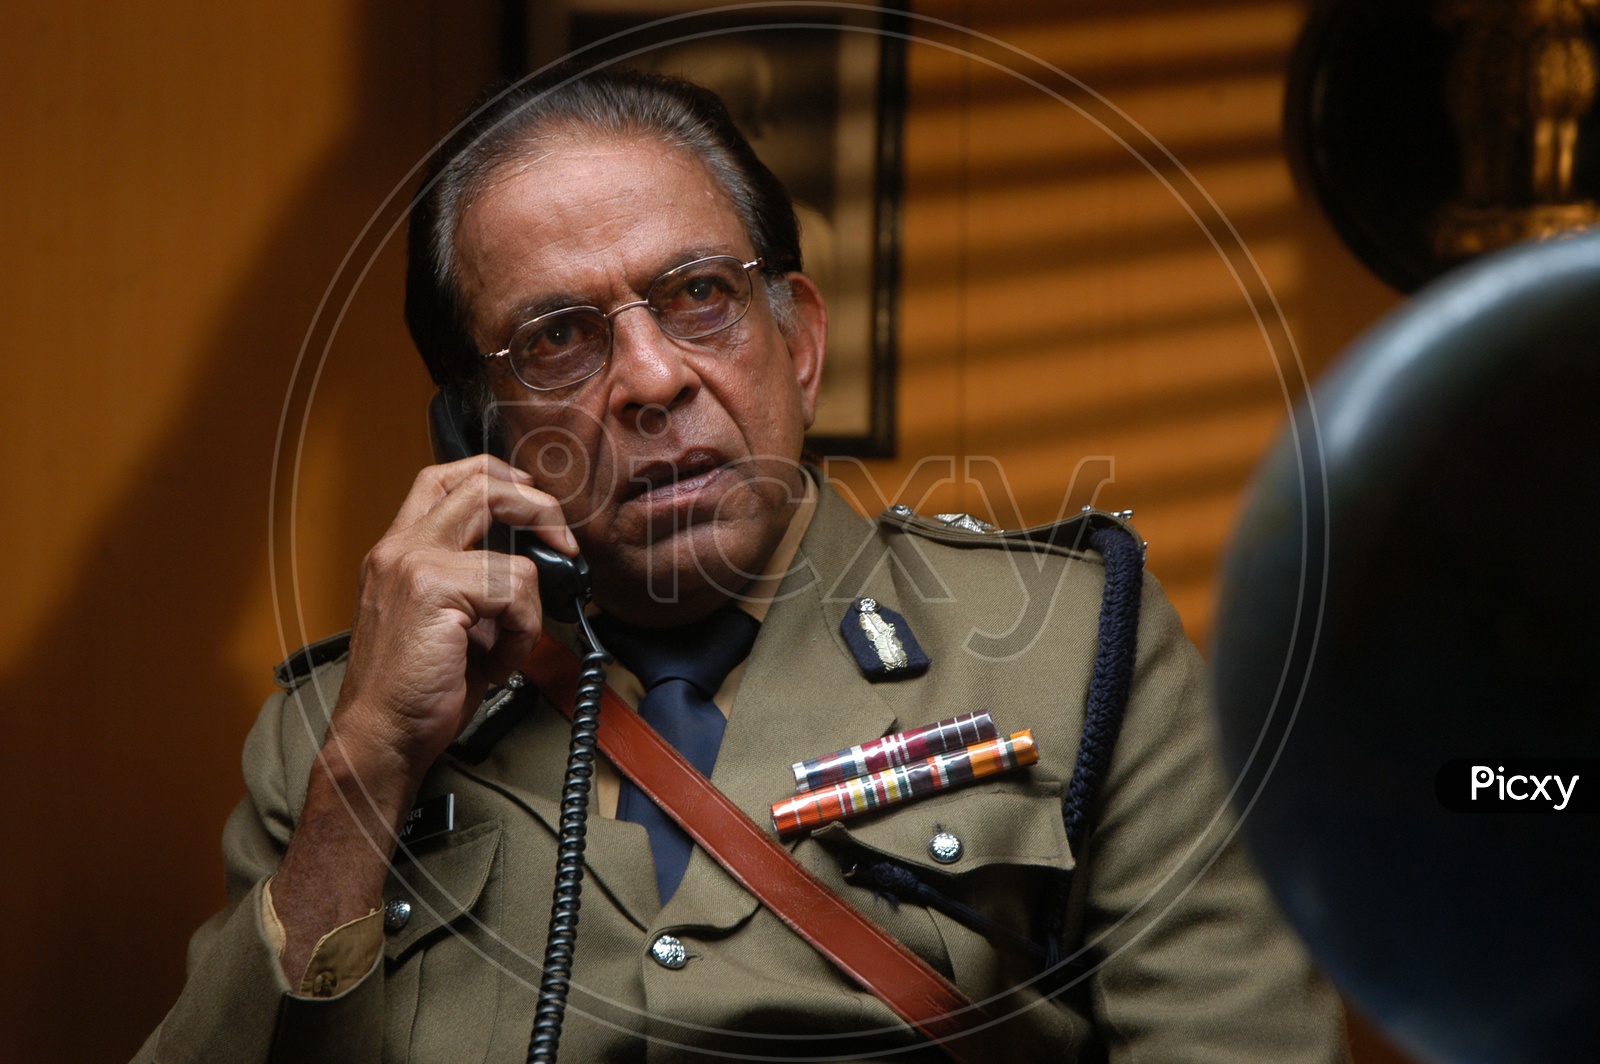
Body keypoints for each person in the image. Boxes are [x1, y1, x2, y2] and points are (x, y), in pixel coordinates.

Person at [134, 66, 1347, 1063]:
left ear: (801, 343)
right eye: (558, 338)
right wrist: (369, 768)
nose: (653, 378)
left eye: (701, 295)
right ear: (480, 429)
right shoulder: (330, 737)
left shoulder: (1076, 648)